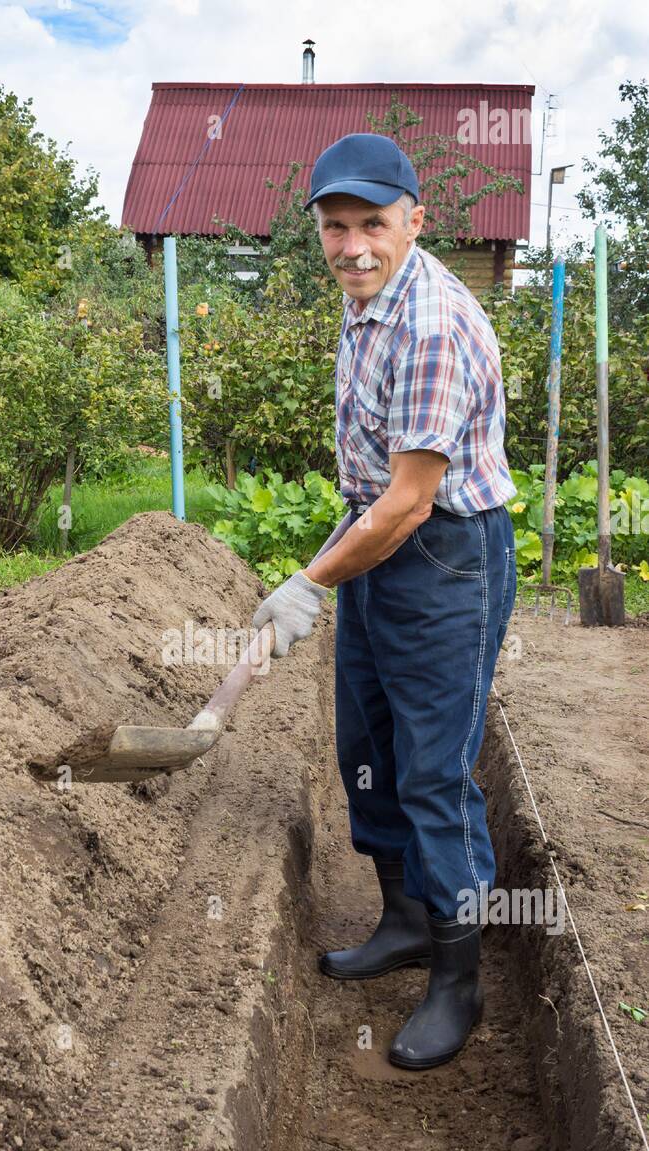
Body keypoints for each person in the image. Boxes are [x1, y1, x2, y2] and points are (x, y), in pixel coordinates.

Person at [252, 132, 518, 1070]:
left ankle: (460, 976)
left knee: (432, 772)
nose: (354, 245)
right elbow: (378, 495)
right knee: (367, 743)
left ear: (415, 217)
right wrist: (329, 567)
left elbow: (410, 499)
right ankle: (404, 917)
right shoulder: (370, 297)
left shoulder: (432, 322)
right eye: (336, 226)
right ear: (318, 230)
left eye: (374, 224)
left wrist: (308, 581)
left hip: (445, 558)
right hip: (384, 543)